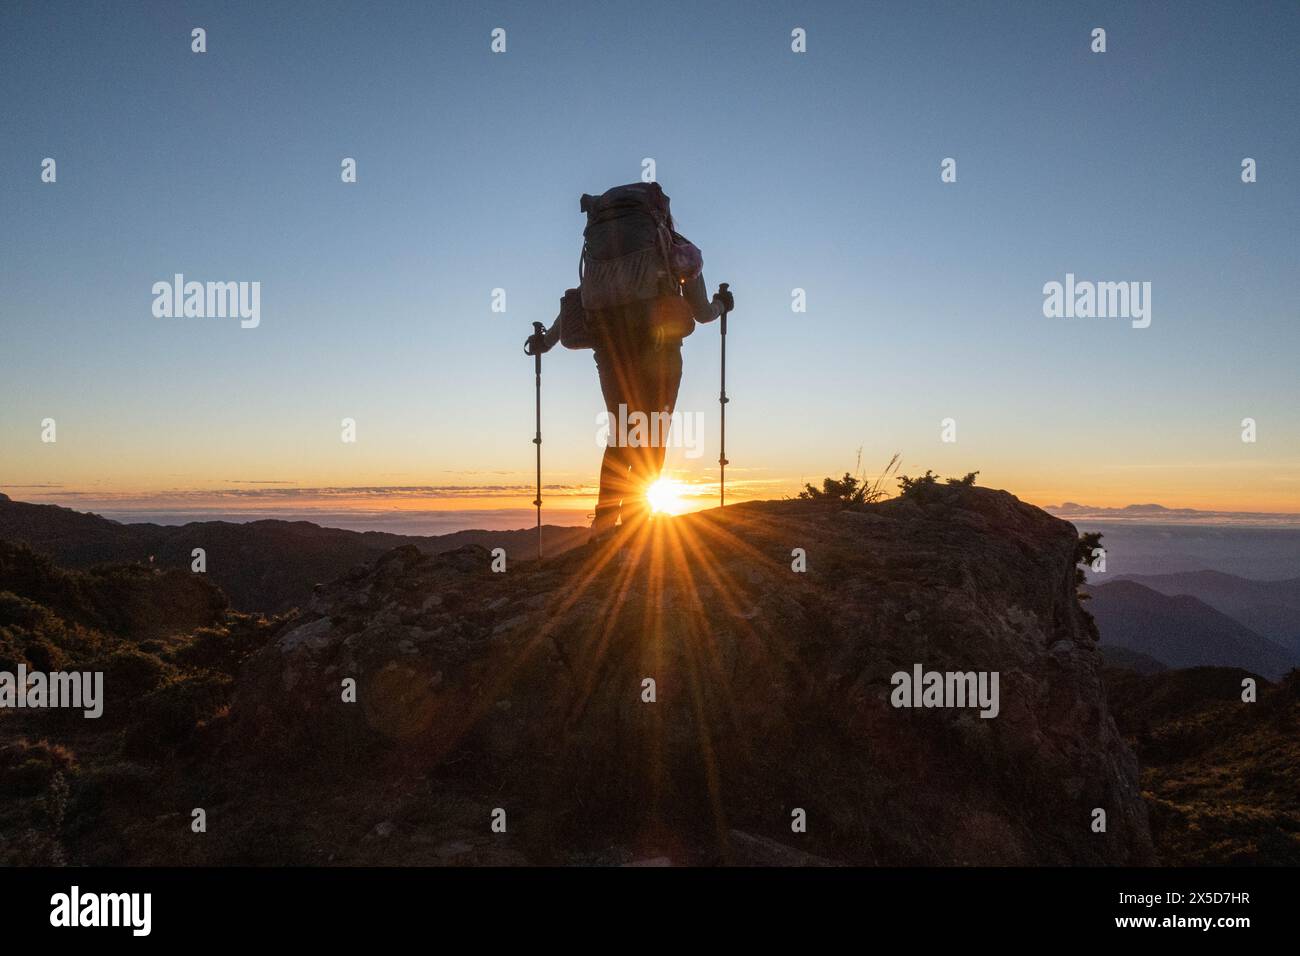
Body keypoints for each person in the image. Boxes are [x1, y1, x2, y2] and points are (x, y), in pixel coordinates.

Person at [526, 206, 733, 541]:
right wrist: (723, 304)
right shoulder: (675, 248)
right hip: (662, 353)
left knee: (622, 433)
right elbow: (703, 313)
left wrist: (545, 343)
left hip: (611, 354)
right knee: (653, 433)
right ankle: (638, 522)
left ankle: (605, 523)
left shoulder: (599, 260)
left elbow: (583, 299)